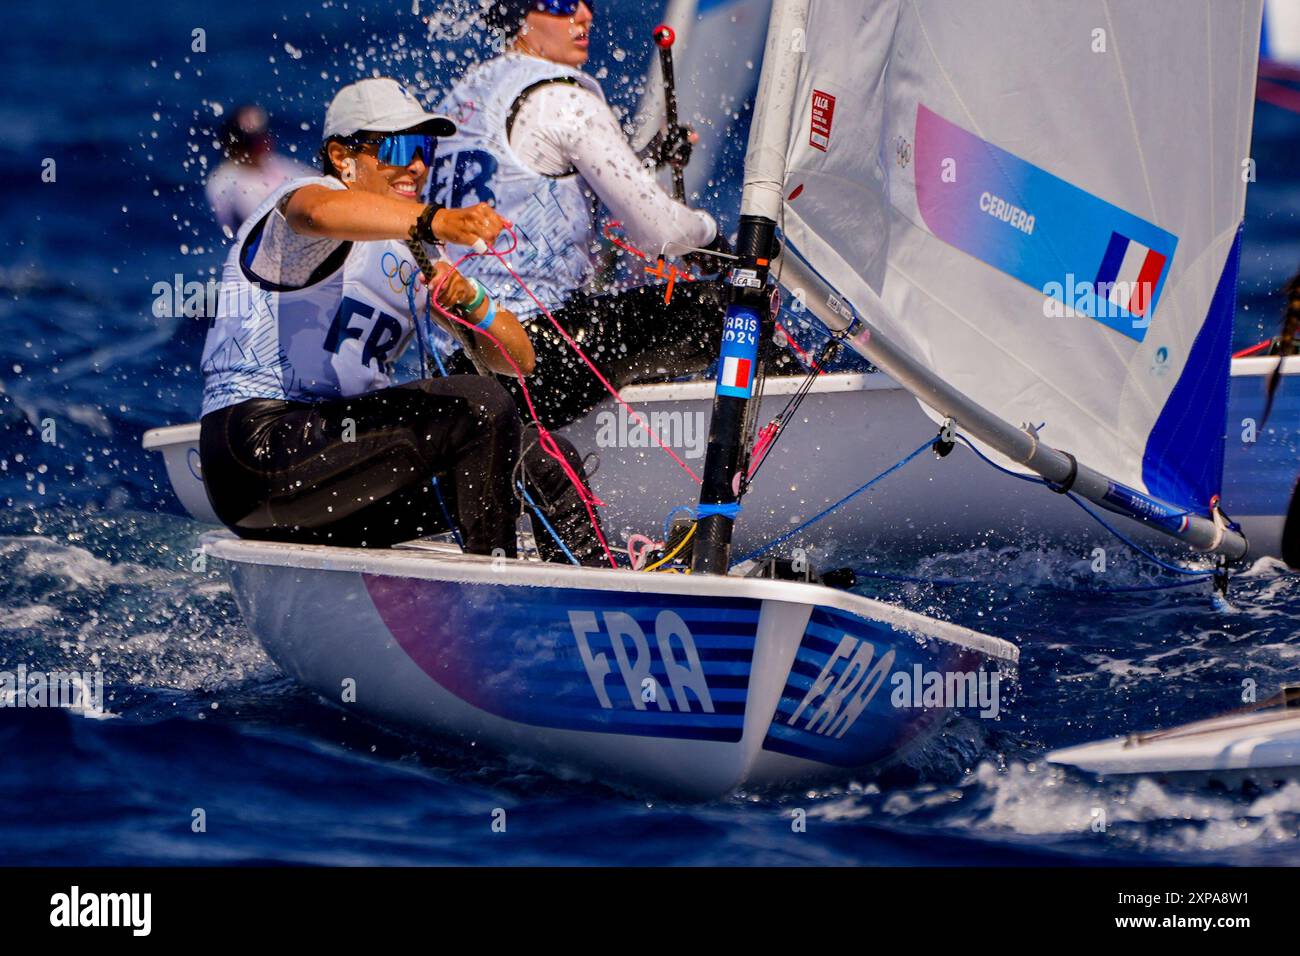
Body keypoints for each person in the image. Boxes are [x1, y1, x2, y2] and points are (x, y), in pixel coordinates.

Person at [199, 78, 606, 565]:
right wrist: (435, 219)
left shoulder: (416, 250)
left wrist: (473, 302)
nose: (415, 165)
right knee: (479, 404)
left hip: (339, 467)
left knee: (542, 458)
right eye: (396, 147)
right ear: (342, 156)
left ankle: (596, 586)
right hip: (258, 457)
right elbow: (320, 213)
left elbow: (519, 361)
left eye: (424, 149)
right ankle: (496, 584)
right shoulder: (304, 205)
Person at [432, 0, 739, 429]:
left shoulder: (461, 99)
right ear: (518, 15)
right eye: (560, 3)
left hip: (459, 368)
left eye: (586, 2)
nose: (583, 15)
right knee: (732, 308)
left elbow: (523, 184)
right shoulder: (562, 99)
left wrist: (643, 160)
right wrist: (710, 237)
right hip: (534, 363)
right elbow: (663, 232)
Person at [205, 104, 315, 234]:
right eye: (250, 143)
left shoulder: (271, 162)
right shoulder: (225, 180)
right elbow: (260, 224)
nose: (262, 145)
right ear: (233, 144)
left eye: (262, 138)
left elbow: (318, 179)